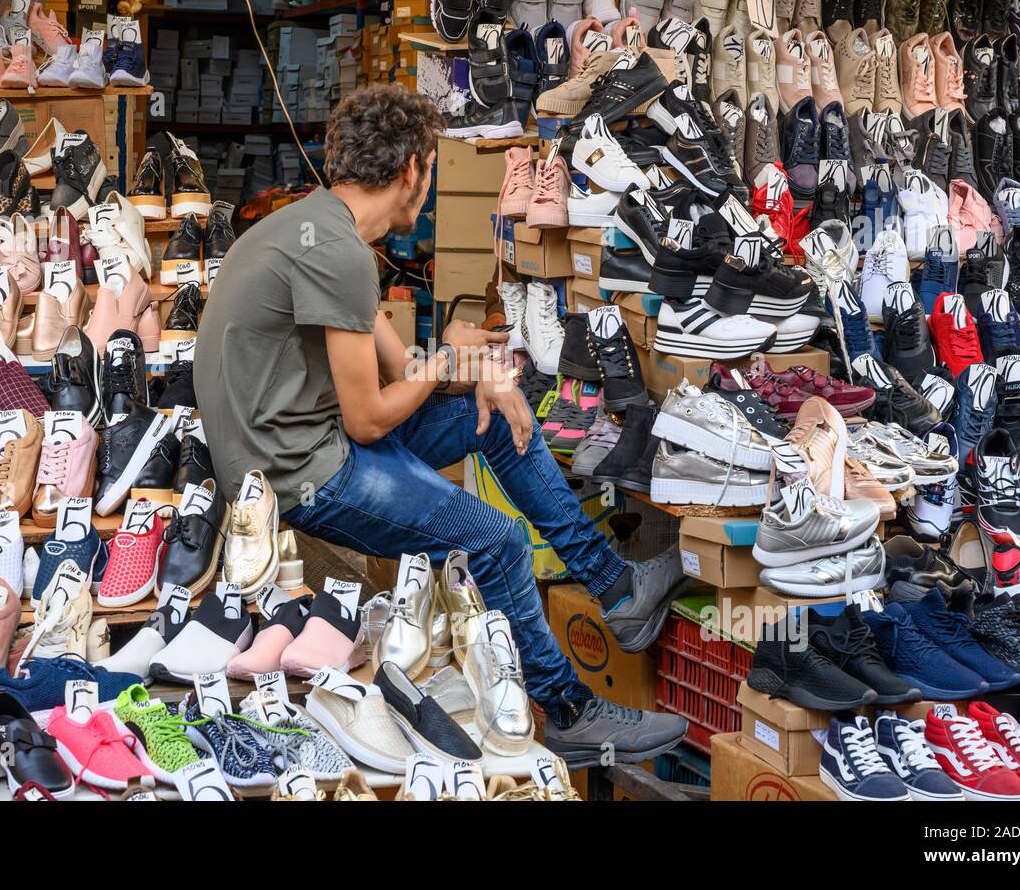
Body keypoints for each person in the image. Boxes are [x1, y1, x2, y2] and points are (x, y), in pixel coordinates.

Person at [195, 85, 688, 766]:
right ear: (413, 171)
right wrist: (450, 362)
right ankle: (570, 713)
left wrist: (478, 371)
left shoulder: (323, 228)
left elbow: (407, 372)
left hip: (299, 443)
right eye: (432, 171)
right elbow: (371, 419)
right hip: (299, 472)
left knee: (489, 418)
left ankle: (617, 589)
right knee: (496, 539)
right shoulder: (336, 254)